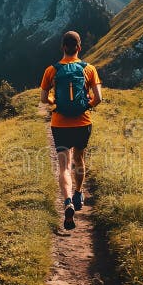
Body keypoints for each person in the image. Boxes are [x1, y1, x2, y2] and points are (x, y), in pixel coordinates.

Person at [40, 31, 102, 230]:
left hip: (60, 124)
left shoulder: (51, 70)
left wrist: (54, 101)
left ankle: (67, 201)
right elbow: (98, 98)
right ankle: (78, 193)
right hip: (83, 123)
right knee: (79, 159)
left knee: (64, 166)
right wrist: (86, 106)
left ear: (62, 47)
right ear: (79, 47)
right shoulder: (89, 69)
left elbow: (43, 98)